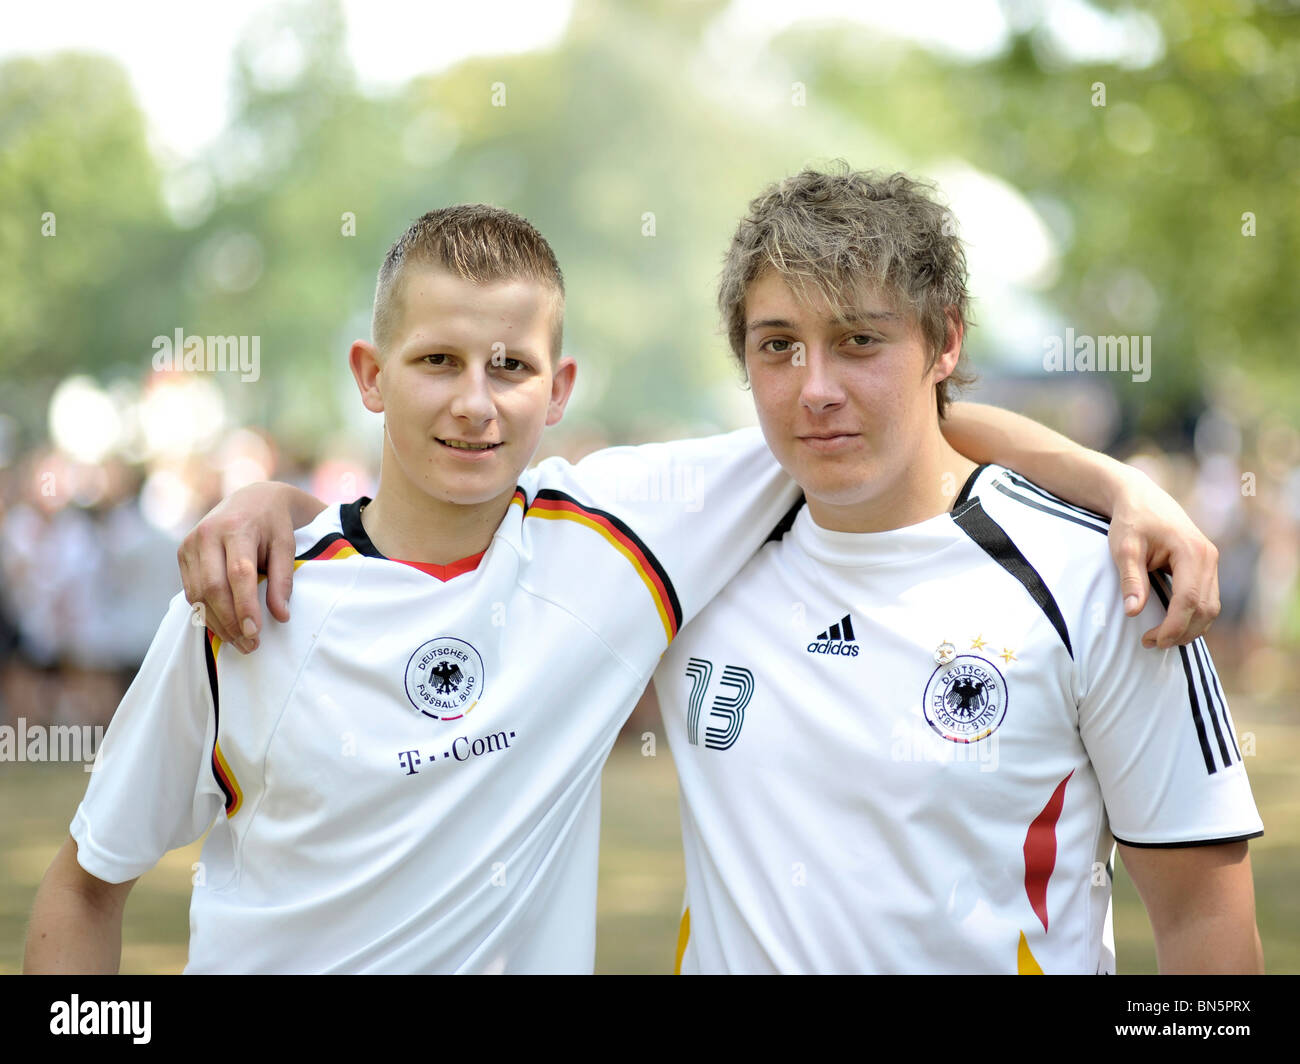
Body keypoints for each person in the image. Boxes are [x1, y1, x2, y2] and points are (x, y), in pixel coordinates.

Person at [28, 198, 1219, 975]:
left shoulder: (621, 534)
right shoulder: (247, 603)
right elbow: (87, 885)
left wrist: (1119, 483)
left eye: (510, 366)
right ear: (370, 375)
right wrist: (270, 503)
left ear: (560, 389)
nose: (474, 400)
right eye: (436, 361)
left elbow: (901, 416)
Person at [654, 167, 1262, 974]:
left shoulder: (1103, 579)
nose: (816, 389)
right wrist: (1115, 475)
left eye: (859, 340)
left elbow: (1202, 931)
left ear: (945, 341)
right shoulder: (680, 548)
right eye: (778, 347)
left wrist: (1119, 486)